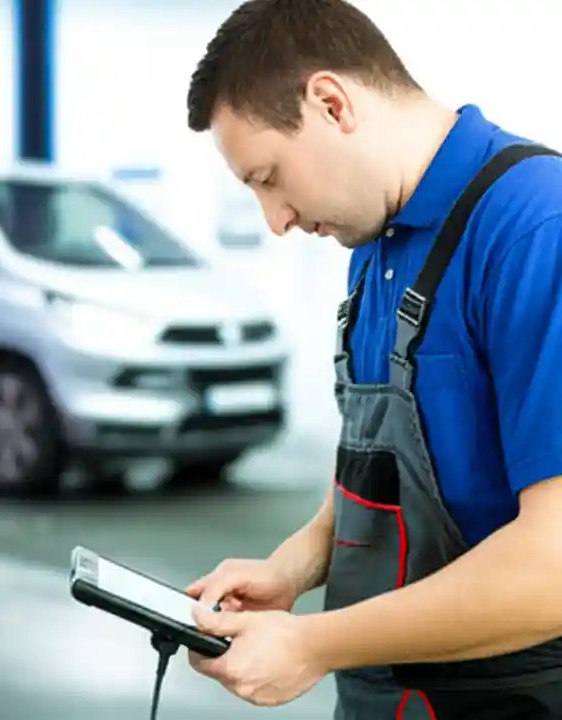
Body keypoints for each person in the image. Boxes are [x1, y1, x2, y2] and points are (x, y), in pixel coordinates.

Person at [181, 0, 562, 717]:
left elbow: (556, 566)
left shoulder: (537, 229)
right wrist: (292, 568)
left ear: (331, 104)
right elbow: (382, 465)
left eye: (269, 177)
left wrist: (312, 645)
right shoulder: (374, 244)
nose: (276, 220)